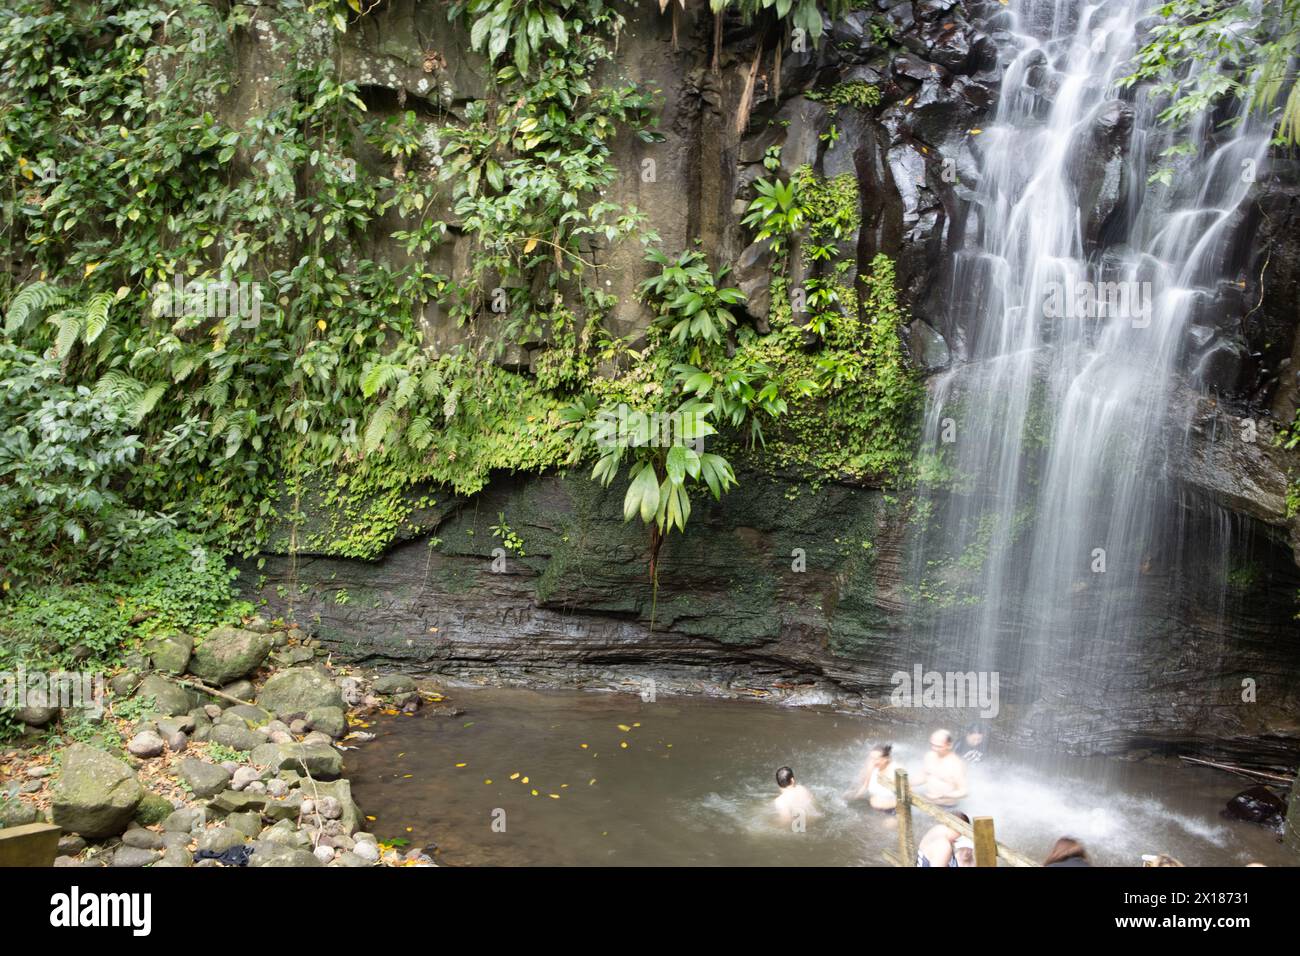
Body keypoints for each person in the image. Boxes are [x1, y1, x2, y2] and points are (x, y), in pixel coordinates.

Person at [918, 729, 969, 805]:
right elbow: (923, 777)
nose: (934, 748)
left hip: (947, 808)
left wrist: (943, 796)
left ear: (949, 745)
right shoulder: (929, 756)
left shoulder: (956, 764)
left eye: (939, 746)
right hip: (929, 802)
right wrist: (907, 783)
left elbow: (964, 791)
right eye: (932, 745)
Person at [846, 743, 899, 811]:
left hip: (890, 808)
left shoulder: (894, 770)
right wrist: (854, 797)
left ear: (885, 759)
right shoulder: (871, 765)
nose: (873, 761)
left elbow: (903, 798)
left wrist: (882, 804)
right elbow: (865, 785)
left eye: (876, 759)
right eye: (871, 758)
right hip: (875, 804)